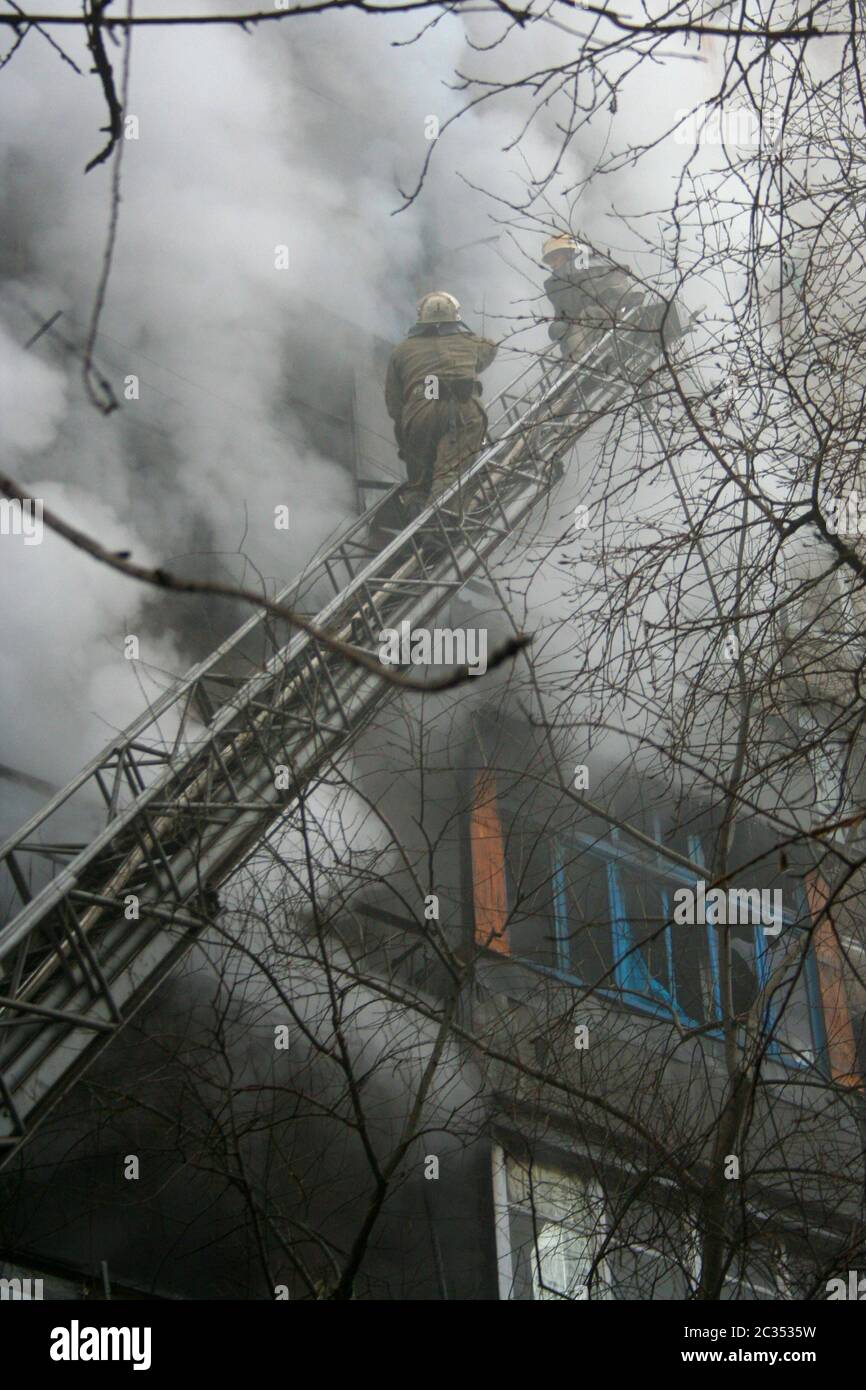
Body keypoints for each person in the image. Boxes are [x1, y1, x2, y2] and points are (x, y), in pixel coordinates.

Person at [385, 291, 497, 521]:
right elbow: (491, 347)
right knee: (450, 472)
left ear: (420, 318)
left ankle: (415, 517)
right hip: (463, 408)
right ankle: (438, 530)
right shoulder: (472, 342)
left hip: (420, 412)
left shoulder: (401, 351)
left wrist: (407, 435)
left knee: (419, 483)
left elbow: (394, 405)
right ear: (455, 316)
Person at [542, 233, 635, 362]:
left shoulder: (593, 268)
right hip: (588, 332)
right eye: (550, 260)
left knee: (583, 322)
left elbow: (616, 288)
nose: (552, 264)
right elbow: (564, 313)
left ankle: (583, 363)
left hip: (607, 319)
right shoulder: (557, 284)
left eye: (555, 258)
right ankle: (580, 365)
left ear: (568, 253)